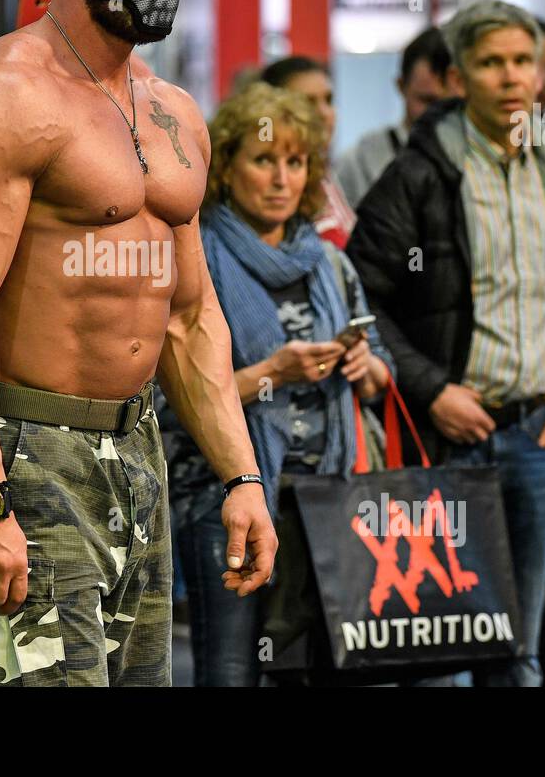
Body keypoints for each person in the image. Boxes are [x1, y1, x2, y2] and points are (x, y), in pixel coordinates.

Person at [0, 0, 277, 687]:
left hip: (138, 444)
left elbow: (190, 316)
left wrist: (241, 475)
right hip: (30, 447)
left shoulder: (174, 112)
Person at [345, 0, 545, 686]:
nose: (510, 77)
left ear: (540, 75)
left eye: (522, 62)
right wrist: (430, 387)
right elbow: (359, 297)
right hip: (440, 441)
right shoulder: (419, 173)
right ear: (458, 77)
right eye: (491, 62)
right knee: (437, 656)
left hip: (536, 436)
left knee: (518, 651)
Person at [164, 82, 392, 686]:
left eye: (295, 162)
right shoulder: (196, 255)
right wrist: (272, 374)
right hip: (225, 496)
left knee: (319, 669)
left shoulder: (328, 260)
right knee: (230, 670)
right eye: (264, 160)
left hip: (326, 498)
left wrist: (366, 366)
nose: (281, 178)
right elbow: (167, 399)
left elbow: (381, 368)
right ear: (227, 168)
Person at [336, 27, 452, 207]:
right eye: (426, 100)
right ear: (400, 86)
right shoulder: (361, 161)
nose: (438, 111)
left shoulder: (477, 158)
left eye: (450, 102)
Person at [259, 55, 358, 248]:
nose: (323, 113)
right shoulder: (275, 184)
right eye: (307, 102)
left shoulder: (323, 174)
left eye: (328, 100)